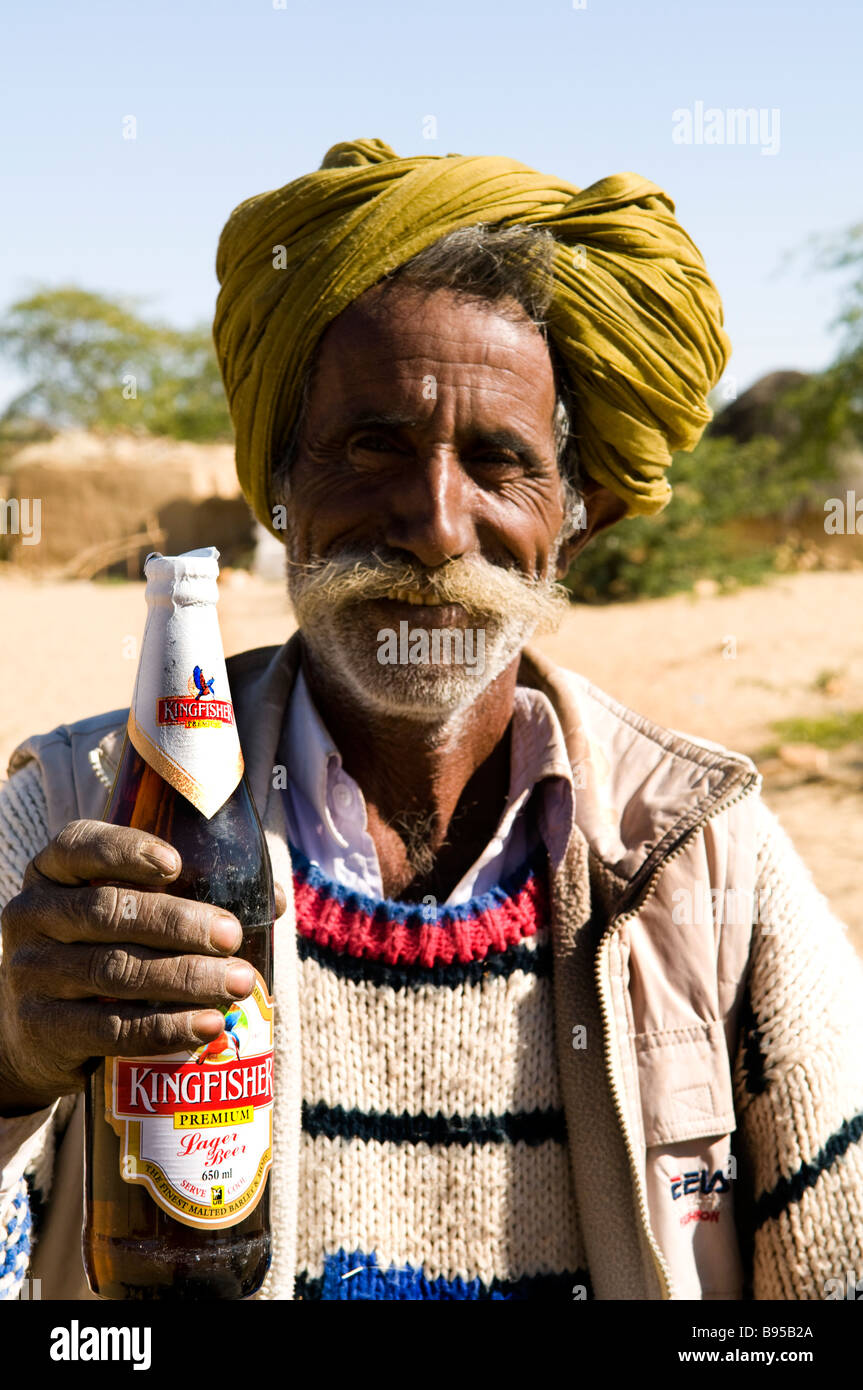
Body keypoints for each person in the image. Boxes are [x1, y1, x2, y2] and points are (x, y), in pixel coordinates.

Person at [1, 140, 861, 1302]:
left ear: (575, 516)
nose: (433, 524)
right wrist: (10, 1061)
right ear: (278, 490)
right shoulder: (73, 816)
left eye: (499, 462)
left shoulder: (707, 863)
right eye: (372, 447)